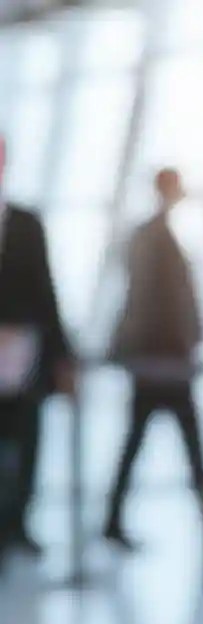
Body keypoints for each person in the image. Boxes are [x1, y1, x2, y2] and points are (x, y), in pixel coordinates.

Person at [104, 168, 203, 551]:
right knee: (188, 445)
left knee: (142, 441)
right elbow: (147, 301)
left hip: (163, 358)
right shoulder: (153, 238)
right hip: (162, 360)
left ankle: (113, 520)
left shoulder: (155, 236)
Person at [0, 135, 74, 564]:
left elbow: (46, 291)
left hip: (23, 355)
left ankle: (17, 525)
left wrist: (63, 355)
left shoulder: (27, 224)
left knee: (27, 442)